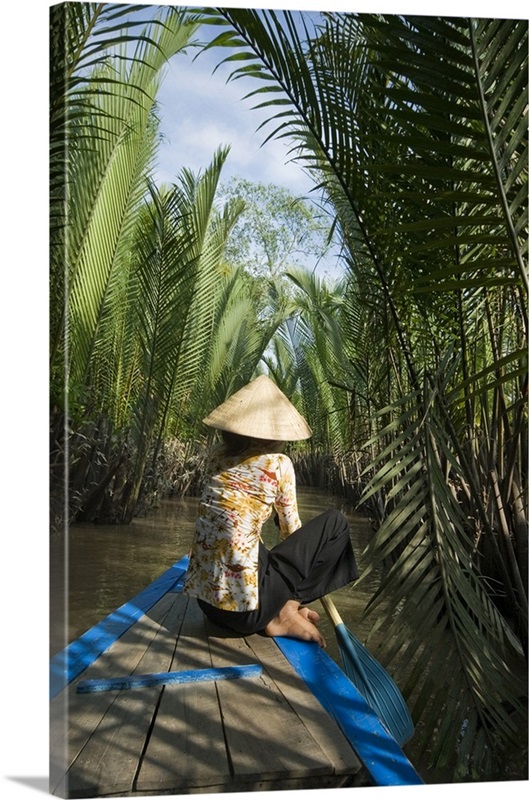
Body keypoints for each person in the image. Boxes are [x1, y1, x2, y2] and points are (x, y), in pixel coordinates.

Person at [183, 374, 358, 647]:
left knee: (252, 543)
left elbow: (235, 523)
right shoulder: (278, 464)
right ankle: (284, 612)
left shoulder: (217, 455)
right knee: (335, 523)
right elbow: (291, 534)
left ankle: (278, 607)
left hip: (207, 605)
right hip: (246, 617)